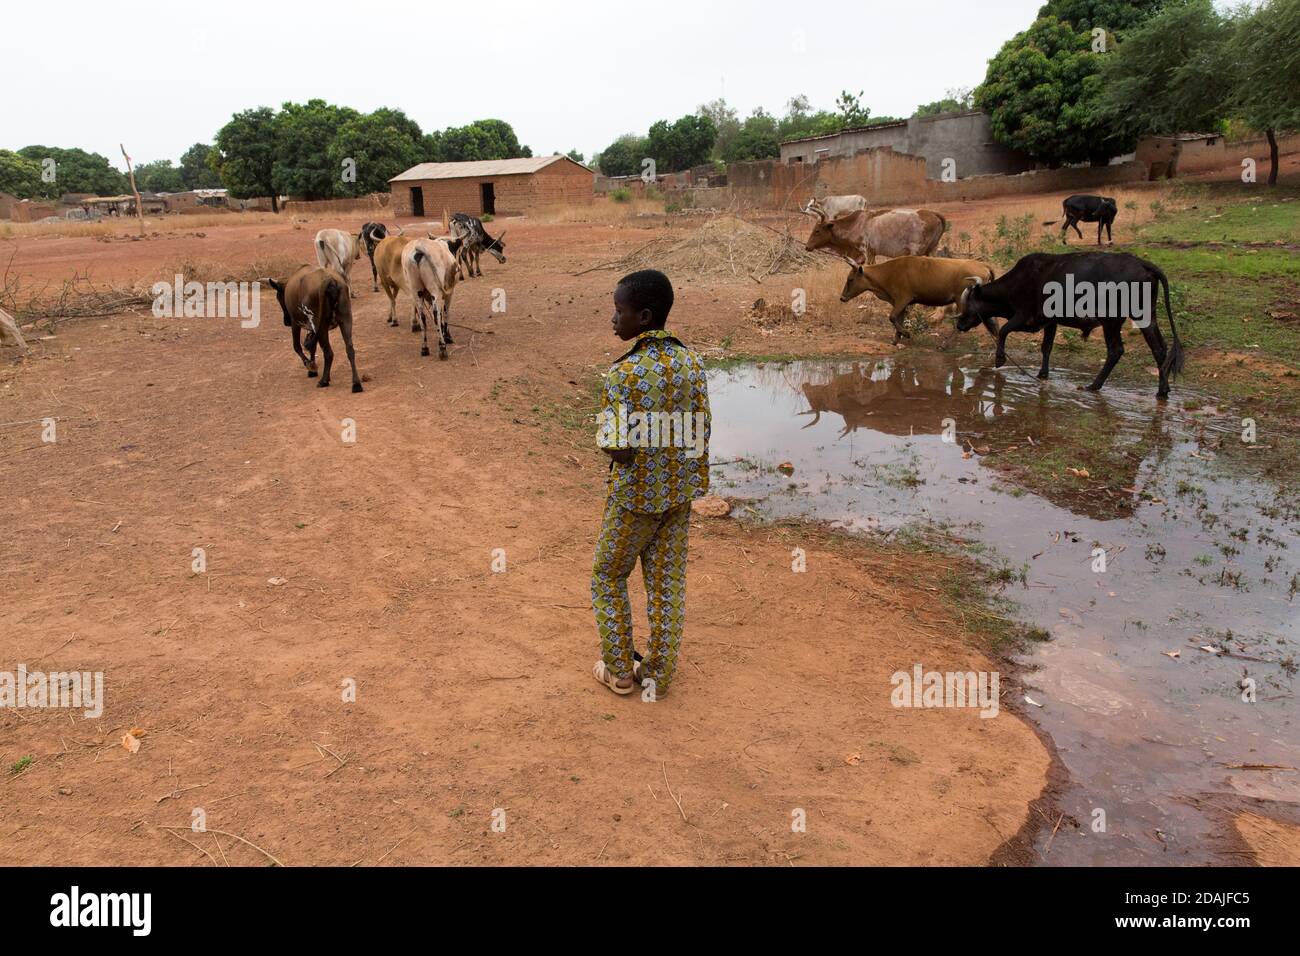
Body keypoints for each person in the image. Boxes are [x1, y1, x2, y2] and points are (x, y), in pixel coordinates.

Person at [591, 269, 710, 700]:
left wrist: (626, 443)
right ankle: (655, 675)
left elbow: (618, 449)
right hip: (678, 496)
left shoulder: (622, 375)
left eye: (618, 311)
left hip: (633, 499)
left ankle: (621, 671)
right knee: (667, 585)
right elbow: (700, 433)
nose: (613, 319)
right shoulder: (692, 363)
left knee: (608, 575)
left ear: (643, 317)